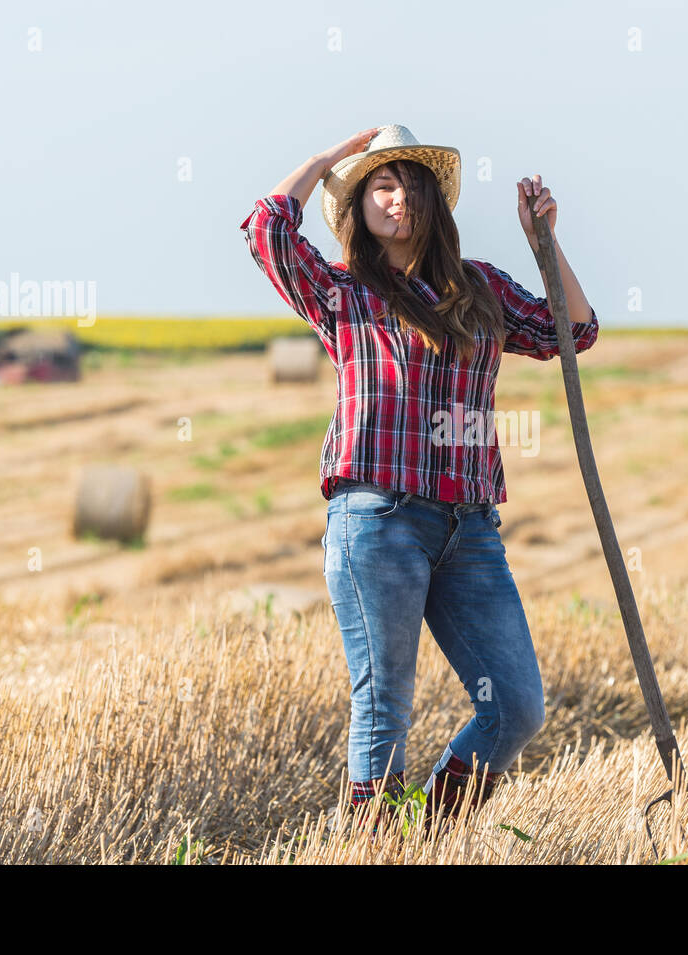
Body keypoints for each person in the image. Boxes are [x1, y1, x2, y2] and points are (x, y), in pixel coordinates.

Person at [239, 124, 599, 835]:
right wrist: (328, 159)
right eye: (379, 184)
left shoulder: (481, 289)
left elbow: (573, 332)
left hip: (470, 530)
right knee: (385, 706)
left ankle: (425, 836)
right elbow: (266, 230)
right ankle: (375, 849)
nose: (396, 196)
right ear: (359, 208)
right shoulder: (341, 294)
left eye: (408, 182)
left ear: (433, 199)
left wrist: (544, 242)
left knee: (518, 707)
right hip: (377, 519)